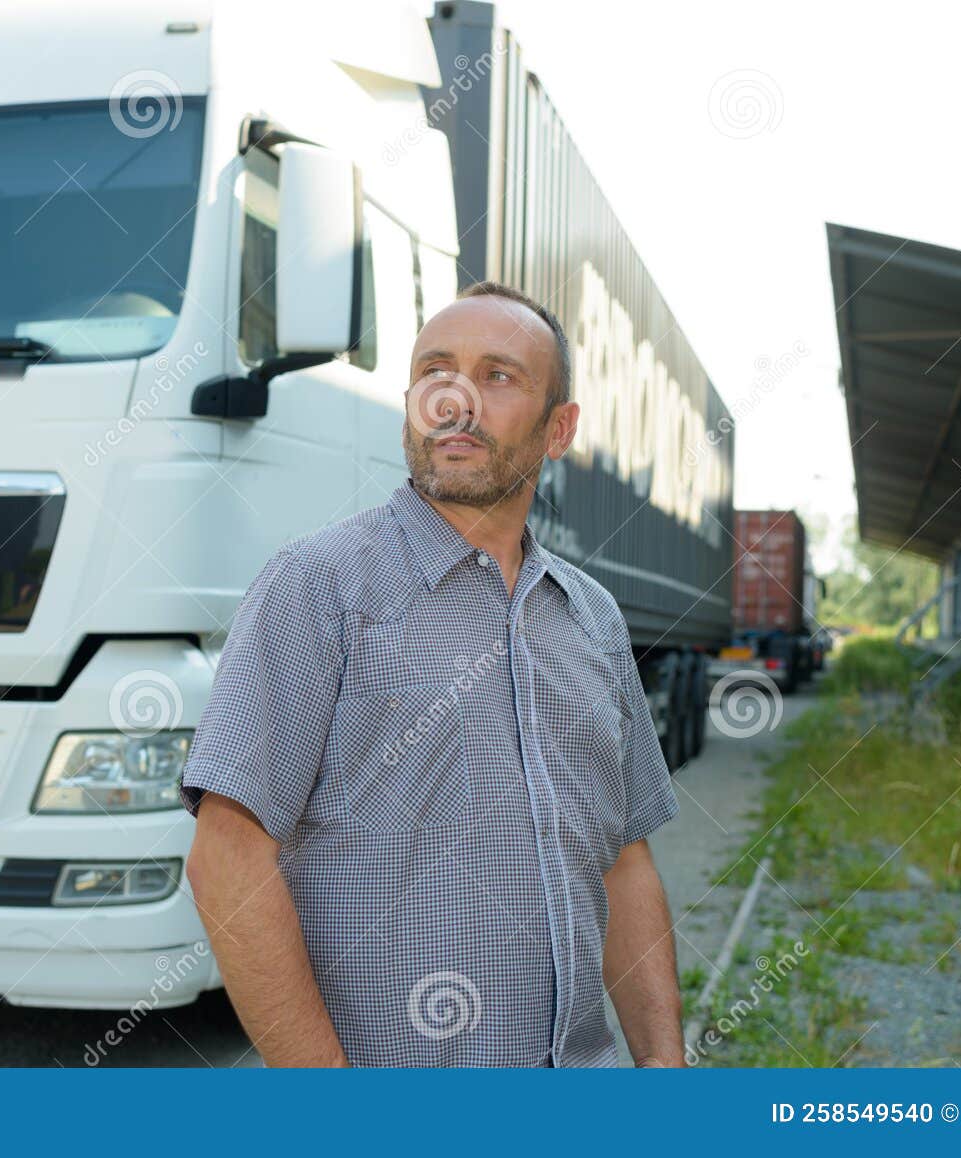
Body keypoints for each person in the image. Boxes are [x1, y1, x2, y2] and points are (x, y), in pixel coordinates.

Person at [181, 281, 684, 1067]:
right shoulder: (318, 586)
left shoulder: (592, 616)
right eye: (434, 373)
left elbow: (624, 861)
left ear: (559, 428)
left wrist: (663, 1063)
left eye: (498, 376)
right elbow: (227, 857)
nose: (455, 401)